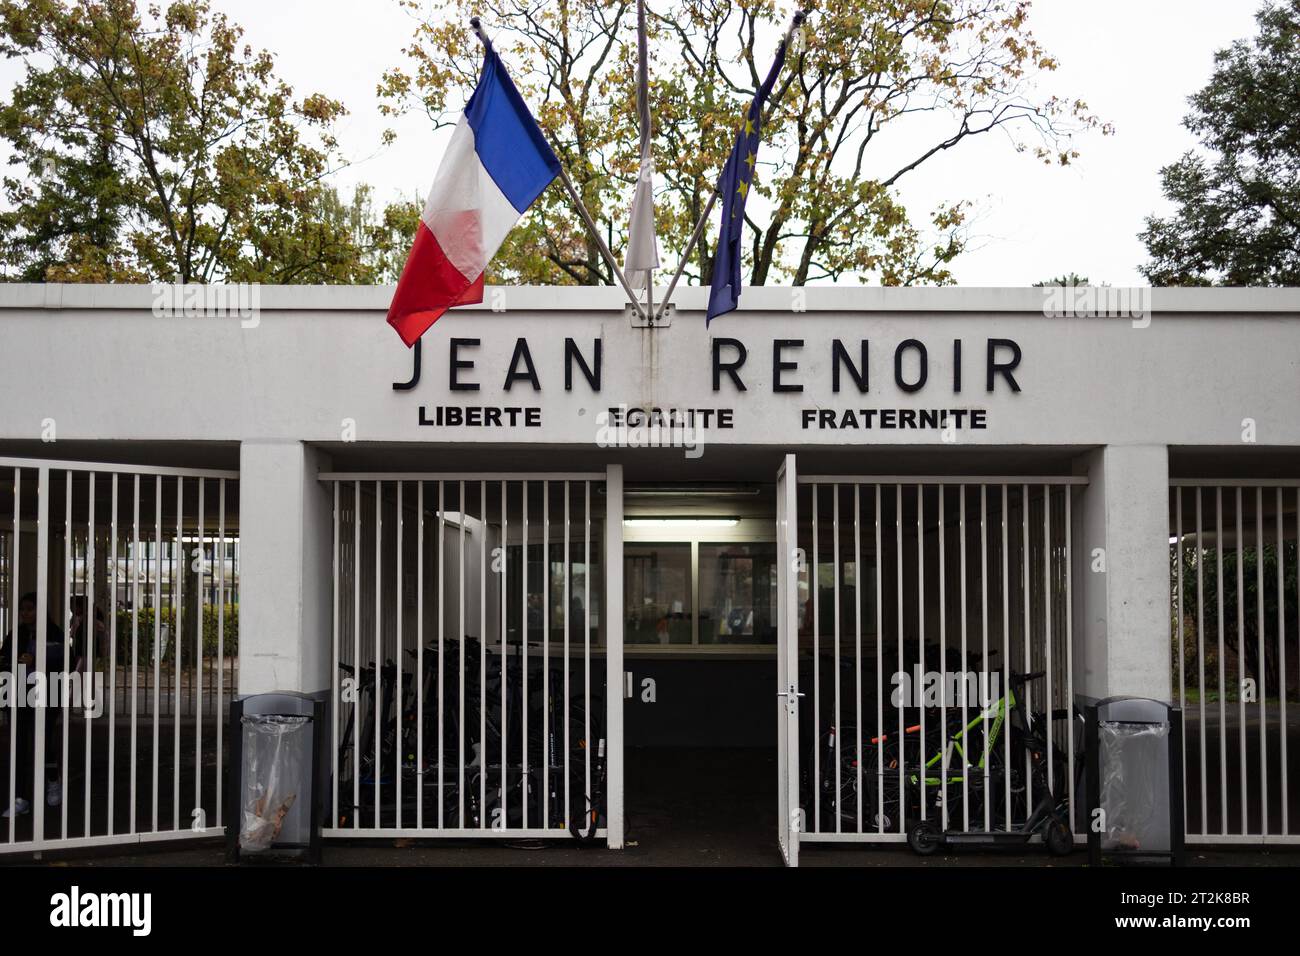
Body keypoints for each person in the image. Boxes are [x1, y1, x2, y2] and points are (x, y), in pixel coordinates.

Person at [1, 592, 66, 818]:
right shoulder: (15, 634)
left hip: (47, 696)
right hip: (19, 696)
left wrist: (37, 661)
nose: (25, 613)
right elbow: (4, 661)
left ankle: (52, 781)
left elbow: (63, 663)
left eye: (29, 608)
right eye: (22, 609)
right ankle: (21, 798)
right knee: (19, 746)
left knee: (44, 743)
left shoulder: (55, 633)